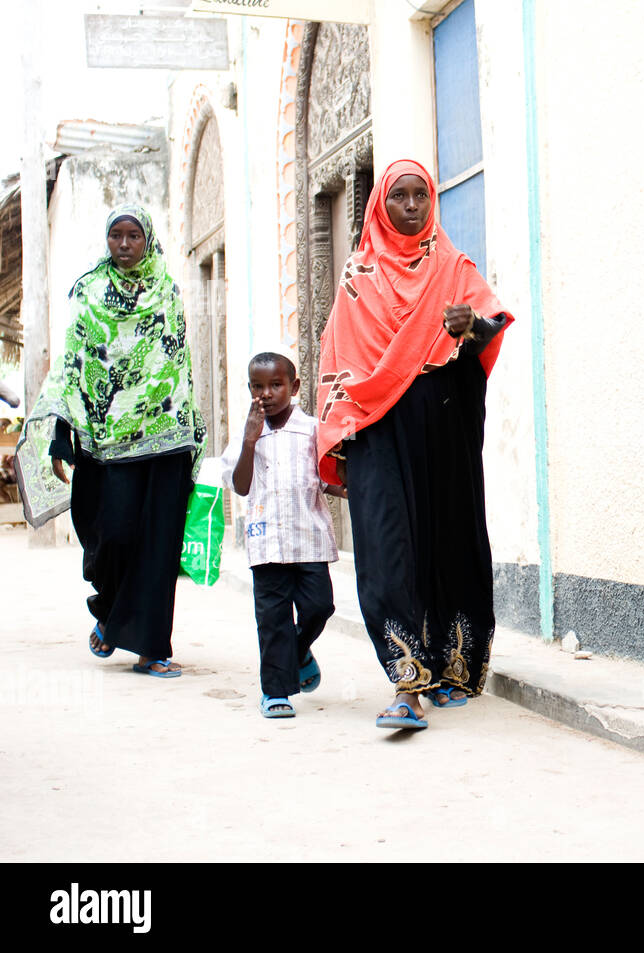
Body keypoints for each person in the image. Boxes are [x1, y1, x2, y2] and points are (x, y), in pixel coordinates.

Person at [315, 159, 512, 731]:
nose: (410, 206)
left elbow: (490, 328)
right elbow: (339, 363)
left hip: (443, 427)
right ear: (380, 205)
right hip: (379, 432)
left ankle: (454, 666)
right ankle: (406, 680)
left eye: (420, 195)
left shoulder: (453, 268)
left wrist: (468, 326)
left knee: (449, 540)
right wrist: (342, 437)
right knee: (387, 548)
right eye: (398, 196)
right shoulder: (359, 277)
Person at [14, 204, 205, 677]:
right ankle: (110, 611)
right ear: (107, 240)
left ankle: (152, 648)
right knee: (113, 535)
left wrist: (183, 428)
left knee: (159, 544)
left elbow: (177, 365)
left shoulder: (167, 292)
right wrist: (63, 434)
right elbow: (74, 365)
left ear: (147, 240)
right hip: (105, 440)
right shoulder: (89, 293)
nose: (124, 244)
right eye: (116, 235)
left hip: (165, 438)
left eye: (133, 235)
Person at [220, 351, 342, 718]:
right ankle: (275, 693)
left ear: (294, 387)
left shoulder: (311, 430)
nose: (268, 393)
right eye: (259, 387)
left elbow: (327, 479)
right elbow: (240, 486)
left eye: (276, 385)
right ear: (250, 390)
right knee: (272, 620)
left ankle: (298, 649)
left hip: (311, 540)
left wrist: (359, 488)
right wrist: (249, 442)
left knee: (320, 607)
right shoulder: (248, 434)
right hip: (267, 543)